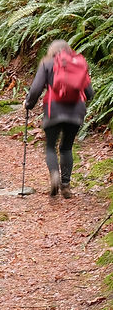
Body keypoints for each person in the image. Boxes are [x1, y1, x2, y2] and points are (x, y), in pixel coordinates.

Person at [24, 40, 93, 198]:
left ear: (51, 51)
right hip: (76, 112)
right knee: (66, 148)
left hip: (53, 110)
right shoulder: (79, 63)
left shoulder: (47, 63)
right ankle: (66, 185)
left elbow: (36, 89)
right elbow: (89, 93)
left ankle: (54, 174)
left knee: (50, 147)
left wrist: (28, 103)